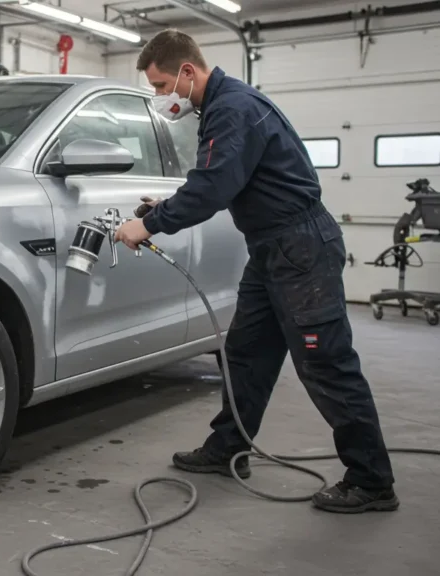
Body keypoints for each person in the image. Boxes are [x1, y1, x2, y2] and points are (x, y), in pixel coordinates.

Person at [115, 29, 398, 513]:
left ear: (187, 71)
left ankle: (371, 480)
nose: (161, 97)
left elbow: (211, 189)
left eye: (162, 86)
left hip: (300, 250)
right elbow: (224, 180)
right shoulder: (224, 106)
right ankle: (230, 447)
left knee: (325, 363)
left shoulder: (232, 110)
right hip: (274, 249)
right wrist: (168, 203)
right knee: (246, 353)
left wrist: (149, 224)